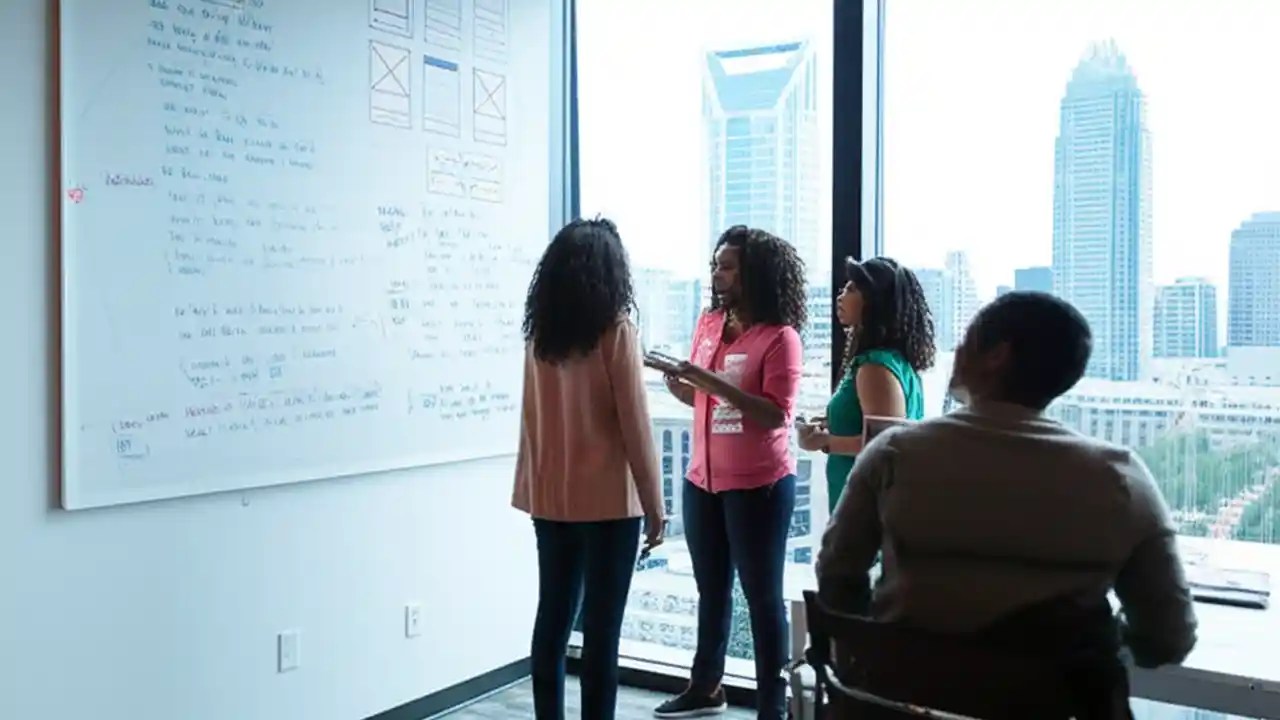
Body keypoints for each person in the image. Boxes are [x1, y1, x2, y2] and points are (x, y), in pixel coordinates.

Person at [816, 291, 1198, 718]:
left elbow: (837, 575)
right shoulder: (1120, 479)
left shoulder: (895, 456)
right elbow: (1168, 637)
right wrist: (1101, 648)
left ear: (997, 355)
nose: (956, 350)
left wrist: (883, 643)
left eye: (966, 339)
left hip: (899, 704)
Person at [512, 217, 666, 720]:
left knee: (551, 625)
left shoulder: (542, 337)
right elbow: (636, 427)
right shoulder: (616, 331)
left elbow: (534, 420)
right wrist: (656, 505)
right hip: (608, 504)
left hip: (551, 498)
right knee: (603, 633)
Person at [654, 226, 806, 720]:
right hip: (703, 481)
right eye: (715, 264)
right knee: (710, 589)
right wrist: (682, 382)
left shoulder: (780, 337)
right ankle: (705, 687)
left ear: (753, 273)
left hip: (758, 485)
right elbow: (697, 396)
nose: (717, 274)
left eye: (727, 266)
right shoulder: (708, 324)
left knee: (761, 599)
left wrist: (712, 383)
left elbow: (775, 413)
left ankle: (771, 707)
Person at [797, 256, 935, 512]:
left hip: (867, 510)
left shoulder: (875, 366)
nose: (841, 295)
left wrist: (823, 442)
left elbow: (885, 443)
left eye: (851, 289)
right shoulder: (889, 361)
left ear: (874, 301)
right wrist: (831, 423)